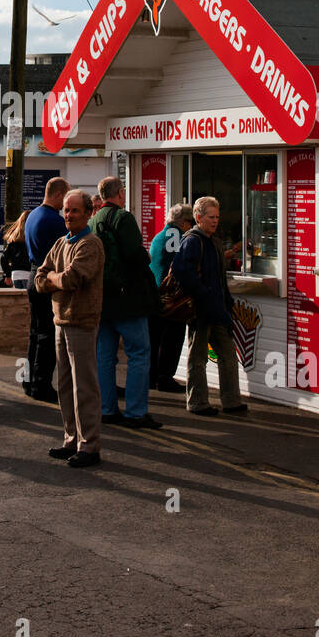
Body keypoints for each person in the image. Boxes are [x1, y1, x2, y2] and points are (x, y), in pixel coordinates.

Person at [35, 189, 105, 468]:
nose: (68, 215)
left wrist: (54, 277)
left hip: (82, 321)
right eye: (66, 209)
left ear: (88, 213)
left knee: (84, 386)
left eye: (75, 210)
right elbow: (39, 279)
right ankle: (71, 439)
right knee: (65, 385)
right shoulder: (61, 242)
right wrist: (55, 277)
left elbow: (72, 279)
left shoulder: (91, 244)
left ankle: (89, 445)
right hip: (60, 320)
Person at [89, 176, 162, 429]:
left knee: (104, 355)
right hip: (128, 298)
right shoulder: (123, 218)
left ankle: (107, 409)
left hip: (102, 298)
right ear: (120, 194)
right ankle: (135, 412)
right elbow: (135, 255)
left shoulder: (93, 221)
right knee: (139, 354)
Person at [171, 195, 247, 417]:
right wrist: (203, 294)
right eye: (211, 217)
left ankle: (231, 401)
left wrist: (226, 302)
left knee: (228, 356)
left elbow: (219, 278)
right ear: (198, 217)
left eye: (217, 217)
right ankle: (197, 402)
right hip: (201, 310)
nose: (215, 221)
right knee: (198, 358)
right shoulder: (193, 241)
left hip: (217, 309)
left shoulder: (213, 241)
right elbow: (181, 271)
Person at [23, 177, 70, 402]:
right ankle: (41, 385)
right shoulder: (54, 220)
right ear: (59, 194)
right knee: (46, 335)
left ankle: (27, 379)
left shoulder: (32, 215)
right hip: (46, 279)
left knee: (34, 333)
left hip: (33, 275)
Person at [149, 202, 194, 394]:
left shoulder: (161, 234)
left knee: (156, 339)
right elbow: (177, 263)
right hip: (169, 298)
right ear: (183, 222)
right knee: (172, 339)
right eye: (191, 222)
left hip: (155, 296)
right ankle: (165, 378)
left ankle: (153, 377)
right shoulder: (175, 234)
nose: (192, 226)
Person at [0, 210, 31, 285]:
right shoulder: (31, 237)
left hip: (15, 274)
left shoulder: (13, 239)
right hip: (29, 274)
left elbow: (3, 258)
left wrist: (7, 275)